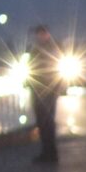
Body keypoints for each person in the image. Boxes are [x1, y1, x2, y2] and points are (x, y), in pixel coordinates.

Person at [28, 25, 63, 162]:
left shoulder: (51, 49)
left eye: (42, 34)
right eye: (38, 35)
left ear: (46, 34)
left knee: (47, 122)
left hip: (47, 91)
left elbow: (56, 71)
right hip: (38, 90)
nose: (39, 37)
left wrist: (55, 89)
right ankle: (46, 152)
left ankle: (50, 152)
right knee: (42, 122)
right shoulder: (35, 50)